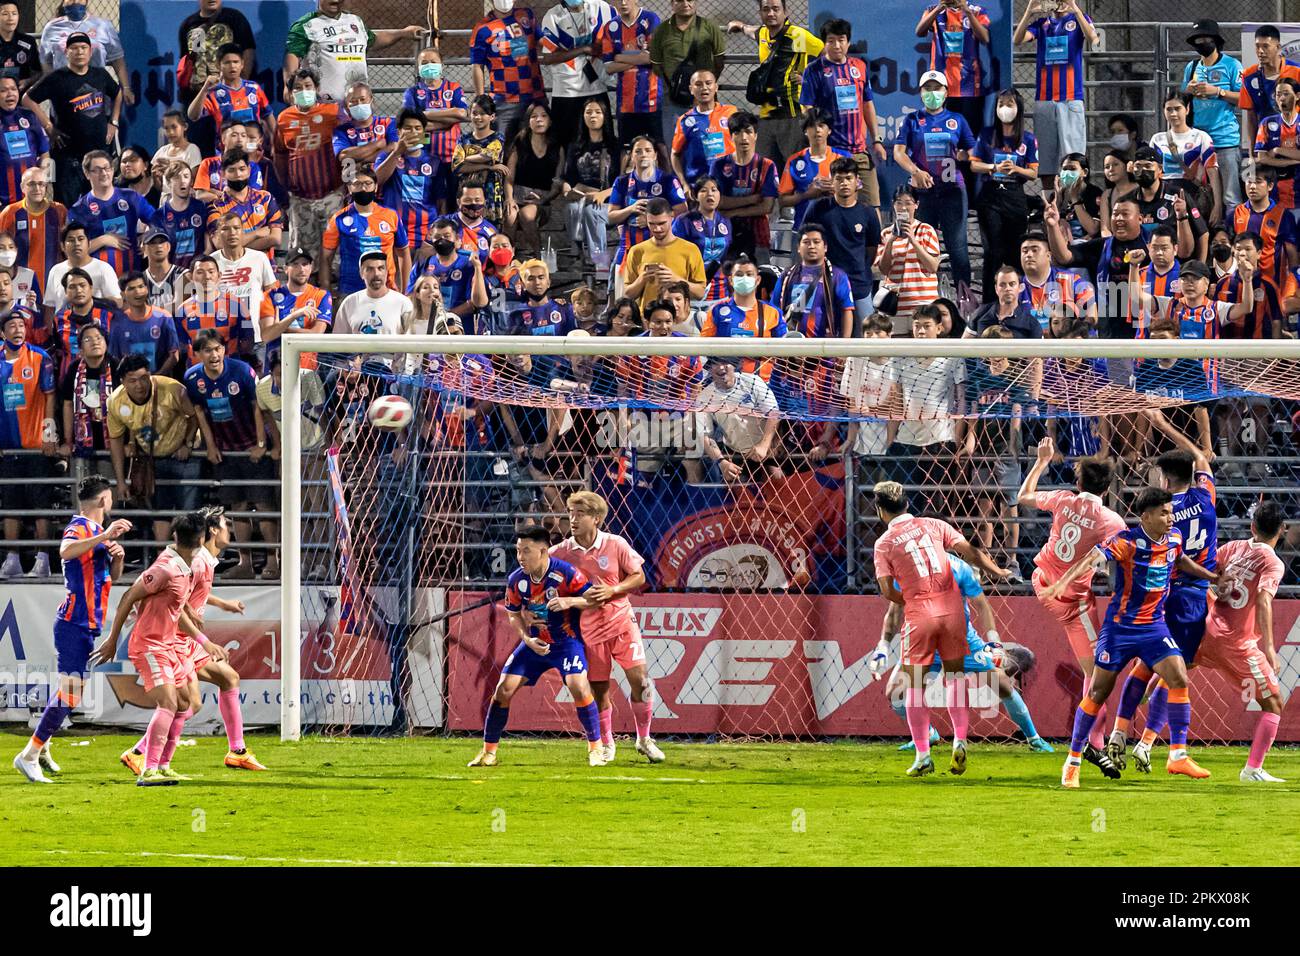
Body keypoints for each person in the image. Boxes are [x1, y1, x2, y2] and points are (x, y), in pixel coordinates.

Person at [1046, 486, 1218, 788]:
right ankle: (1072, 760)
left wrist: (1210, 576)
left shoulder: (1174, 538)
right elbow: (1092, 557)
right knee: (1098, 693)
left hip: (1154, 626)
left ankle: (1178, 754)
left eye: (1170, 512)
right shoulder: (1128, 542)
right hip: (1120, 628)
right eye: (1164, 513)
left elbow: (1180, 561)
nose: (1170, 517)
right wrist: (1061, 581)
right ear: (1146, 516)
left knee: (1178, 676)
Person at [872, 479, 1009, 776]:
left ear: (880, 511)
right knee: (956, 677)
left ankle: (923, 755)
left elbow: (885, 589)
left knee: (915, 687)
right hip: (952, 612)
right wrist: (995, 570)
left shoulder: (883, 544)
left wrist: (907, 598)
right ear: (907, 504)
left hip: (920, 613)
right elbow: (970, 551)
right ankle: (960, 740)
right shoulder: (934, 525)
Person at [121, 505, 267, 775]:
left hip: (184, 639)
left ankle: (234, 751)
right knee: (188, 701)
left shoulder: (205, 561)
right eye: (226, 525)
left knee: (215, 687)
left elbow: (188, 593)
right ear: (211, 531)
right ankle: (145, 756)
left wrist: (222, 604)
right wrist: (201, 636)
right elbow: (177, 597)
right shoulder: (198, 562)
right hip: (177, 640)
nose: (230, 530)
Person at [1108, 435, 1218, 774]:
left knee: (1148, 669)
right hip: (1190, 598)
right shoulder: (1207, 498)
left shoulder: (1164, 513)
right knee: (1174, 674)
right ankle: (1160, 749)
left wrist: (1155, 422)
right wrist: (1162, 425)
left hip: (1161, 597)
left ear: (1165, 480)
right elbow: (1201, 457)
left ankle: (1123, 735)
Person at [11, 476, 129, 783]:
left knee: (70, 690)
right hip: (73, 622)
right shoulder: (79, 527)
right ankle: (29, 755)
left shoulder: (94, 534)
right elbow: (65, 551)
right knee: (72, 692)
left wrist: (118, 557)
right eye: (111, 497)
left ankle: (44, 747)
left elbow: (109, 578)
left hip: (85, 623)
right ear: (103, 500)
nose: (112, 502)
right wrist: (104, 535)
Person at [1016, 440, 1125, 766]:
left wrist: (1041, 462)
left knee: (1094, 670)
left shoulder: (1064, 499)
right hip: (1073, 602)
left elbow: (1023, 497)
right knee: (1099, 674)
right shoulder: (1112, 521)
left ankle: (1094, 741)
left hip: (1041, 582)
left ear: (1078, 484)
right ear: (1108, 487)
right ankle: (1094, 742)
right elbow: (1103, 558)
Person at [468, 526, 605, 767]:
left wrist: (569, 601)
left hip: (566, 643)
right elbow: (512, 614)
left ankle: (596, 748)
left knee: (578, 685)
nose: (520, 557)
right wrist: (526, 639)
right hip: (534, 644)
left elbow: (593, 601)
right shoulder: (516, 580)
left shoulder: (567, 573)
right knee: (503, 689)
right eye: (518, 551)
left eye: (526, 551)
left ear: (543, 551)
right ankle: (488, 753)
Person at [92, 512, 206, 785]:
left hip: (168, 644)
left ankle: (163, 766)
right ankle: (148, 770)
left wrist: (197, 629)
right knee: (167, 702)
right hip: (149, 645)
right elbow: (129, 596)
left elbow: (175, 608)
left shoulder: (186, 568)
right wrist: (112, 639)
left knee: (183, 703)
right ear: (201, 540)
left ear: (175, 535)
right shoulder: (164, 568)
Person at [550, 491, 663, 763]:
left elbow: (638, 577)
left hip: (622, 622)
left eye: (580, 514)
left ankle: (644, 738)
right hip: (587, 630)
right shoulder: (561, 553)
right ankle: (607, 744)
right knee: (599, 690)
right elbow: (545, 582)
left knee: (642, 681)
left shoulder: (616, 544)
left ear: (596, 519)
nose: (573, 519)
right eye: (571, 513)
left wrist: (613, 589)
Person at [1197, 500, 1289, 782]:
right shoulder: (1272, 562)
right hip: (1236, 643)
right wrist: (1270, 648)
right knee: (1273, 702)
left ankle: (1143, 740)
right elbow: (1263, 600)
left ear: (1252, 527)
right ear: (1282, 530)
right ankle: (1252, 770)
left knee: (1174, 671)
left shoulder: (1233, 547)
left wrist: (1217, 584)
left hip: (1208, 629)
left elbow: (1208, 568)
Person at [183, 329, 270, 579]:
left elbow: (259, 408)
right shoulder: (192, 378)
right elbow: (199, 413)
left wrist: (261, 443)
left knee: (265, 505)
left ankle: (273, 562)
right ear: (197, 354)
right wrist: (210, 446)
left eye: (218, 348)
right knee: (237, 507)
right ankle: (245, 563)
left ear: (225, 350)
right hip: (226, 451)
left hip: (253, 447)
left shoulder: (242, 371)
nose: (214, 354)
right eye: (208, 350)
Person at [893, 70, 976, 292]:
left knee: (958, 249)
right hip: (923, 194)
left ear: (946, 92)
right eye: (927, 88)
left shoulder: (957, 120)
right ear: (921, 93)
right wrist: (915, 171)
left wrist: (965, 156)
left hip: (952, 193)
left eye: (937, 88)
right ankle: (925, 296)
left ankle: (964, 299)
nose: (932, 93)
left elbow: (972, 150)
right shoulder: (912, 120)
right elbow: (898, 153)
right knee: (922, 245)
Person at [107, 354, 200, 546]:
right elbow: (115, 440)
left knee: (189, 511)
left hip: (184, 455)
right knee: (159, 512)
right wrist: (120, 482)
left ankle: (191, 560)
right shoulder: (115, 402)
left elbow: (194, 416)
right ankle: (162, 558)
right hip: (153, 458)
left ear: (150, 375)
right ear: (122, 382)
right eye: (132, 380)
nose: (139, 385)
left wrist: (188, 443)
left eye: (143, 378)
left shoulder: (173, 389)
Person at [22, 31, 120, 208]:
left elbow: (118, 93)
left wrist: (114, 122)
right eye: (74, 48)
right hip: (68, 156)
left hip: (97, 153)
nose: (79, 52)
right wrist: (48, 125)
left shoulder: (100, 75)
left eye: (83, 48)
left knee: (100, 204)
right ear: (66, 52)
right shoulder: (57, 78)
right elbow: (28, 99)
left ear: (90, 52)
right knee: (67, 208)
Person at [798, 19, 885, 208]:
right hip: (832, 153)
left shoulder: (860, 66)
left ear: (848, 42)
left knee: (872, 206)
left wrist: (876, 140)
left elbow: (867, 104)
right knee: (833, 207)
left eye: (841, 40)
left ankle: (873, 239)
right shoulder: (813, 71)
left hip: (859, 152)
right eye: (831, 41)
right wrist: (820, 143)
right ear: (824, 43)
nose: (837, 45)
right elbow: (807, 109)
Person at [1013, 0, 1097, 190]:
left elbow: (1093, 38)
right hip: (1044, 99)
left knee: (1073, 156)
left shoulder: (1079, 19)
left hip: (1070, 97)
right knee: (1046, 155)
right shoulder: (1041, 24)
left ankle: (1074, 203)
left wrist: (1074, 8)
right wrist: (1029, 11)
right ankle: (1050, 203)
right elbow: (1016, 40)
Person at [728, 0, 822, 169]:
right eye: (766, 9)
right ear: (760, 13)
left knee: (796, 169)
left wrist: (809, 79)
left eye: (776, 9)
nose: (771, 13)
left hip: (792, 116)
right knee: (766, 170)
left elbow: (827, 55)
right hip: (766, 116)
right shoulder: (763, 33)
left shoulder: (798, 36)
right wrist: (740, 26)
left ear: (785, 12)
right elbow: (752, 31)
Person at [0, 311, 57, 579]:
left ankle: (42, 559)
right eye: (11, 325)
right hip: (7, 446)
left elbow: (50, 397)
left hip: (35, 446)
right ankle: (12, 559)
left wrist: (49, 433)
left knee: (40, 503)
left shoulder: (39, 358)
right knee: (11, 505)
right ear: (3, 333)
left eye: (21, 325)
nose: (17, 329)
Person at [1043, 195, 1147, 337]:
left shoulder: (1153, 247)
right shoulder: (1101, 246)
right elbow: (1064, 257)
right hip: (1109, 330)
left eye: (1125, 214)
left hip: (1143, 326)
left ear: (1139, 219)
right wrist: (1052, 225)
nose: (1119, 219)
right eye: (1115, 214)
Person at [282, 0, 423, 105]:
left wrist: (403, 33)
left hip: (358, 106)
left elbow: (373, 40)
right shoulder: (305, 26)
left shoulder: (355, 21)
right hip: (324, 107)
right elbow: (292, 58)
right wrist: (288, 88)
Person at [970, 87, 1038, 301]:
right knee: (993, 252)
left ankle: (1019, 300)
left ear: (1018, 108)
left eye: (1010, 104)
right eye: (1001, 104)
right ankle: (989, 302)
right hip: (991, 198)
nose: (1005, 109)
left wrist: (1016, 169)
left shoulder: (1027, 139)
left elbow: (1033, 173)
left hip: (1015, 199)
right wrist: (993, 168)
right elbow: (974, 165)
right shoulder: (986, 135)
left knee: (1014, 253)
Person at [804, 155, 881, 327]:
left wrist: (860, 267)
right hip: (824, 284)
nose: (844, 183)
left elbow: (871, 249)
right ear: (832, 181)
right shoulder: (818, 208)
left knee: (868, 336)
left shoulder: (868, 213)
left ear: (857, 181)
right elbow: (804, 240)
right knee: (822, 334)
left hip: (859, 284)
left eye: (849, 178)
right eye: (839, 179)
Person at [274, 68, 343, 257]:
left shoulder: (333, 113)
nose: (303, 91)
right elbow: (280, 155)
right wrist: (288, 186)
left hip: (332, 195)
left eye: (308, 86)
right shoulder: (283, 119)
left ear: (317, 88)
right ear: (290, 92)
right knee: (303, 256)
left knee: (334, 253)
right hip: (300, 199)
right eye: (298, 87)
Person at [1182, 20, 1243, 213]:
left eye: (1205, 38)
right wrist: (1189, 91)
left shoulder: (1232, 65)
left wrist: (1217, 91)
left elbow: (1244, 99)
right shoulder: (1191, 67)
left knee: (1231, 197)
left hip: (1225, 141)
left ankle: (1233, 239)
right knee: (1200, 195)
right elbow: (1182, 99)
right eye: (1197, 39)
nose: (1201, 42)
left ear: (1215, 40)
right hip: (1198, 142)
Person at [320, 167, 411, 298]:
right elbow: (325, 257)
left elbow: (404, 252)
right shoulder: (338, 218)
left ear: (376, 187)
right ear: (350, 188)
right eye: (357, 184)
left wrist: (405, 290)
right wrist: (325, 288)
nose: (363, 188)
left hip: (386, 288)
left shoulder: (391, 216)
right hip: (350, 291)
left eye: (368, 184)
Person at [539, 0, 615, 146]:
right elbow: (549, 57)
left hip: (597, 88)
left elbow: (617, 37)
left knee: (603, 142)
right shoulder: (553, 16)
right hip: (567, 92)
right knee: (566, 145)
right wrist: (583, 49)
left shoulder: (602, 8)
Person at [470, 0, 546, 147]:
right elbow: (477, 65)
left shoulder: (527, 16)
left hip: (535, 96)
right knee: (503, 148)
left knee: (537, 146)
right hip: (503, 100)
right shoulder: (482, 28)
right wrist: (480, 100)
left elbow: (543, 41)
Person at [649, 0, 726, 145]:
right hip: (672, 100)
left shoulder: (709, 27)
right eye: (679, 0)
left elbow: (719, 61)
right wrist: (676, 86)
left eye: (690, 0)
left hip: (705, 101)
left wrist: (706, 85)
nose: (685, 3)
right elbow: (657, 66)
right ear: (672, 3)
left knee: (711, 148)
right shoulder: (662, 30)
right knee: (675, 147)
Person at [694, 354, 781, 483]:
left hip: (769, 449)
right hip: (735, 452)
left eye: (725, 362)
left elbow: (774, 414)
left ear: (734, 365)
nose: (721, 367)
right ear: (710, 369)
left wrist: (764, 445)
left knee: (777, 479)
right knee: (736, 492)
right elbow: (705, 435)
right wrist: (721, 462)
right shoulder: (704, 397)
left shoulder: (753, 382)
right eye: (715, 363)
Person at [609, 134, 686, 275]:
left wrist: (651, 221)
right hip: (628, 249)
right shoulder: (622, 182)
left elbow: (682, 211)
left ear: (655, 155)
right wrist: (630, 209)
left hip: (662, 250)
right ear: (631, 156)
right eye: (638, 151)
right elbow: (611, 216)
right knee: (617, 292)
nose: (643, 154)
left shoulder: (668, 180)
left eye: (648, 150)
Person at [70, 149, 156, 277]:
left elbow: (159, 221)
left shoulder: (131, 197)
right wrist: (103, 240)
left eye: (107, 168)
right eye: (97, 170)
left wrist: (148, 238)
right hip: (96, 280)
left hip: (131, 278)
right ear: (87, 173)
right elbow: (73, 251)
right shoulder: (79, 209)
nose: (104, 173)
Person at [700, 256, 785, 380]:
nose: (744, 278)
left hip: (764, 384)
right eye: (739, 275)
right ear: (731, 280)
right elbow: (704, 347)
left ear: (758, 280)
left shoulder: (773, 312)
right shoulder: (716, 310)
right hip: (724, 383)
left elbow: (786, 348)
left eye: (749, 274)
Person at [916, 0, 991, 137]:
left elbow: (984, 38)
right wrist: (938, 9)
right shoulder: (933, 10)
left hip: (969, 86)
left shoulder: (977, 11)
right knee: (943, 135)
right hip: (942, 87)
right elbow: (919, 32)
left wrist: (967, 11)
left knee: (969, 136)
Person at [404, 47, 467, 210]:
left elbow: (461, 113)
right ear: (418, 67)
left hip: (453, 155)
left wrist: (424, 115)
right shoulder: (413, 92)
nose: (429, 65)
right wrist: (447, 120)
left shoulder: (453, 88)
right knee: (431, 200)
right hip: (425, 155)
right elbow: (411, 121)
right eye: (424, 63)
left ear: (441, 65)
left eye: (433, 62)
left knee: (454, 199)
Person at [710, 109, 777, 262]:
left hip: (758, 236)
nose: (743, 137)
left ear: (756, 135)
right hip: (724, 234)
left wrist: (732, 212)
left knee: (760, 279)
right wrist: (752, 199)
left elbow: (767, 207)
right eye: (738, 132)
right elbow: (717, 202)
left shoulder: (767, 166)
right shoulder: (718, 165)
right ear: (731, 136)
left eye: (748, 132)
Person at [561, 97, 620, 272]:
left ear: (605, 116)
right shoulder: (576, 146)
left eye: (597, 112)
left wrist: (602, 194)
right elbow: (568, 178)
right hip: (581, 196)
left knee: (591, 211)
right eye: (588, 112)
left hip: (608, 200)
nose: (593, 116)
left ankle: (600, 262)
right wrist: (566, 187)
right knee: (573, 208)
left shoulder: (614, 146)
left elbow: (622, 182)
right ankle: (578, 257)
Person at [874, 185, 940, 335]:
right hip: (895, 306)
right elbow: (883, 269)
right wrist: (891, 240)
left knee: (923, 351)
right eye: (899, 202)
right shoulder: (886, 234)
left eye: (908, 203)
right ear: (893, 205)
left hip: (923, 304)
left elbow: (933, 267)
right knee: (898, 353)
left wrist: (913, 240)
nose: (903, 207)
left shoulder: (926, 230)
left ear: (916, 205)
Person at [377, 108, 445, 255]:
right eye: (408, 128)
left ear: (423, 132)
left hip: (425, 235)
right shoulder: (386, 157)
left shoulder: (434, 162)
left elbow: (441, 202)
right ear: (399, 131)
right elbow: (376, 181)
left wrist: (437, 233)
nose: (413, 132)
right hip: (393, 232)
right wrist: (397, 152)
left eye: (417, 128)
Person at [597, 0, 663, 148]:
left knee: (660, 149)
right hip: (625, 104)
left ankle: (665, 173)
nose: (623, 2)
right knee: (626, 151)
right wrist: (639, 58)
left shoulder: (651, 19)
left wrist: (620, 57)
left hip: (652, 101)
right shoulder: (610, 27)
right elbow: (609, 67)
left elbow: (653, 58)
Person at [332, 252, 416, 365]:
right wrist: (345, 370)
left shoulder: (403, 303)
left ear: (387, 272)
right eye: (370, 269)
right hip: (356, 374)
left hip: (392, 375)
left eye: (381, 268)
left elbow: (412, 346)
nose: (376, 274)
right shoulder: (349, 302)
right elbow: (338, 345)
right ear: (362, 273)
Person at [505, 101, 565, 258]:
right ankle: (507, 259)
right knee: (510, 216)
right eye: (534, 116)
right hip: (517, 195)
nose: (539, 120)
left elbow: (557, 183)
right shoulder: (519, 143)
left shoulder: (557, 147)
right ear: (528, 121)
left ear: (550, 121)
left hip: (542, 200)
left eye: (544, 116)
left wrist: (544, 198)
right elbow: (509, 177)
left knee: (526, 214)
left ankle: (540, 258)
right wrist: (509, 199)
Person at [771, 223, 853, 338]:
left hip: (825, 348)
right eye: (806, 242)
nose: (811, 246)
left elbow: (846, 310)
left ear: (825, 247)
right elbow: (774, 309)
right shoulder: (787, 275)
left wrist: (844, 347)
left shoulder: (838, 276)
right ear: (798, 248)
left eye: (816, 242)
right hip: (791, 346)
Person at [623, 196, 705, 310]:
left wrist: (677, 279)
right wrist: (642, 279)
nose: (657, 229)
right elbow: (628, 295)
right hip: (648, 321)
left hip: (679, 320)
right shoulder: (637, 251)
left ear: (672, 216)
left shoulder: (690, 250)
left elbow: (700, 293)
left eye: (662, 223)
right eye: (652, 224)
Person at [0, 165, 66, 307]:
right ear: (23, 187)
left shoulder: (59, 211)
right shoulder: (10, 213)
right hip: (20, 286)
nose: (37, 188)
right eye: (31, 184)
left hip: (54, 283)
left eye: (41, 184)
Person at [1152, 91, 1220, 226]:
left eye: (1177, 109)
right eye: (1169, 109)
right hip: (1163, 197)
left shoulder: (1201, 137)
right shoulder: (1157, 139)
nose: (1173, 114)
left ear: (1187, 109)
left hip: (1192, 196)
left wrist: (1218, 206)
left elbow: (1213, 175)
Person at [177, 0, 256, 111]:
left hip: (231, 98)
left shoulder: (235, 19)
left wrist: (237, 89)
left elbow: (248, 52)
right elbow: (189, 62)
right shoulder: (190, 25)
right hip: (199, 99)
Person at [261, 246, 331, 371]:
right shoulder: (270, 295)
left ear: (311, 268)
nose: (301, 269)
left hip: (307, 369)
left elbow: (316, 334)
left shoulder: (321, 296)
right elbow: (267, 336)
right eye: (295, 264)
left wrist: (281, 329)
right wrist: (294, 315)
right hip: (276, 370)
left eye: (305, 264)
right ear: (286, 269)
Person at [187, 43, 272, 145]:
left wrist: (275, 142)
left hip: (253, 151)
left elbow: (268, 115)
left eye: (236, 62)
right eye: (227, 62)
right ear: (218, 65)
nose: (232, 66)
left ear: (242, 64)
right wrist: (205, 89)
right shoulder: (214, 93)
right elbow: (192, 116)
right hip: (226, 155)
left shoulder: (254, 88)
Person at [670, 69, 735, 200]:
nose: (704, 88)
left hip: (728, 181)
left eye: (708, 83)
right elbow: (675, 154)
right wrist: (684, 184)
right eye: (698, 84)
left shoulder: (731, 112)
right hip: (698, 186)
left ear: (716, 87)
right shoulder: (685, 121)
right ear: (691, 89)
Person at [38, 0, 129, 93]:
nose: (75, 2)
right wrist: (53, 86)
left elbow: (118, 60)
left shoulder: (103, 25)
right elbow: (45, 61)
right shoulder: (52, 27)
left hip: (96, 91)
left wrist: (126, 88)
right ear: (63, 2)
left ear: (86, 1)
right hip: (64, 91)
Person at [778, 109, 847, 230]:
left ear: (829, 130)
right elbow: (783, 200)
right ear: (805, 131)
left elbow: (856, 192)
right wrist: (807, 194)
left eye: (821, 125)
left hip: (838, 227)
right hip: (804, 226)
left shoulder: (843, 158)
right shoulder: (794, 161)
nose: (817, 130)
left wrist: (835, 189)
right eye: (812, 126)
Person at [49, 269, 124, 379]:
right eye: (72, 287)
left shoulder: (109, 315)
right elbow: (59, 352)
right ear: (65, 292)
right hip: (71, 383)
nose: (78, 290)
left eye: (82, 285)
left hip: (107, 381)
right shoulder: (58, 319)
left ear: (91, 288)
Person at [206, 150, 283, 256]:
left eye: (242, 169)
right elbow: (219, 244)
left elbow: (275, 239)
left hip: (265, 266)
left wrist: (234, 246)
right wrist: (256, 234)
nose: (238, 174)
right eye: (232, 170)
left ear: (249, 170)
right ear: (223, 173)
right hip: (234, 269)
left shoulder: (266, 198)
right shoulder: (215, 206)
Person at [1240, 23, 1300, 149]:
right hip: (1265, 145)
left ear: (1278, 47)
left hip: (1295, 144)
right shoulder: (1248, 76)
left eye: (1265, 46)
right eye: (1257, 46)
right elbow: (1251, 117)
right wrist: (1252, 154)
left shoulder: (1297, 71)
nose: (1260, 51)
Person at [44, 222, 120, 321]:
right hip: (64, 331)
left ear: (88, 243)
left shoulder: (103, 268)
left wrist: (89, 301)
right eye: (71, 240)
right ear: (62, 246)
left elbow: (118, 302)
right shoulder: (55, 270)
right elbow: (50, 308)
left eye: (80, 239)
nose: (77, 244)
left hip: (95, 329)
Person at [671, 174, 731, 300]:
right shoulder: (684, 221)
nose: (710, 194)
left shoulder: (725, 222)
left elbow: (726, 258)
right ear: (695, 195)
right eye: (704, 190)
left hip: (719, 290)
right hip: (691, 287)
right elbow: (674, 254)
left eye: (714, 190)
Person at [108, 271, 181, 374]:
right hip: (131, 384)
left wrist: (156, 378)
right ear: (123, 294)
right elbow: (115, 357)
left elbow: (174, 356)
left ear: (147, 289)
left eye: (141, 286)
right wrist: (132, 379)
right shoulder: (118, 322)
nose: (138, 292)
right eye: (131, 288)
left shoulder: (164, 317)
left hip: (161, 382)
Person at [451, 95, 508, 225]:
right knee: (465, 226)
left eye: (483, 114)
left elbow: (488, 155)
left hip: (491, 190)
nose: (478, 117)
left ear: (492, 117)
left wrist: (466, 158)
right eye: (474, 113)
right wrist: (489, 167)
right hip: (467, 191)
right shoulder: (463, 139)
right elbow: (457, 166)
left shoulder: (497, 137)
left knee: (490, 229)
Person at [1252, 77, 1300, 217]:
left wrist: (1277, 150)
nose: (1281, 98)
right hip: (1274, 193)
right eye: (1278, 94)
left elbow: (1270, 156)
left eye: (1286, 94)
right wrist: (1294, 160)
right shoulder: (1267, 123)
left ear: (1297, 96)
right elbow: (1262, 158)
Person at [0, 76, 47, 209]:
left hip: (32, 198)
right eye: (3, 90)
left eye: (13, 89)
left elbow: (45, 153)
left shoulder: (29, 116)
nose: (10, 93)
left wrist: (47, 183)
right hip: (4, 200)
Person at [334, 82, 396, 169]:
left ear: (371, 100)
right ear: (347, 105)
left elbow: (394, 148)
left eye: (362, 99)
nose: (359, 104)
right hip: (356, 180)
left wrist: (361, 161)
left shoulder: (388, 123)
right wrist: (376, 145)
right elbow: (344, 157)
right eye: (353, 101)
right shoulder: (341, 130)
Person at [966, 267, 1041, 338]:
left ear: (1020, 287)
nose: (1007, 288)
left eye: (1012, 284)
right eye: (1002, 285)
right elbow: (963, 347)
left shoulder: (1031, 323)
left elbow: (1038, 351)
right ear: (996, 289)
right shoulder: (981, 313)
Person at [1051, 152, 1101, 244]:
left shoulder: (1094, 193)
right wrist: (1058, 202)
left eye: (1072, 169)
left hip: (1086, 243)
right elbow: (1050, 227)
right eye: (1065, 169)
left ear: (1084, 172)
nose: (1067, 173)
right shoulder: (1058, 194)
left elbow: (1092, 230)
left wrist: (1075, 198)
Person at [0, 1, 41, 93]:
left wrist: (27, 81)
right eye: (5, 14)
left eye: (14, 14)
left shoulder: (28, 41)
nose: (10, 18)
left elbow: (38, 72)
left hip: (21, 96)